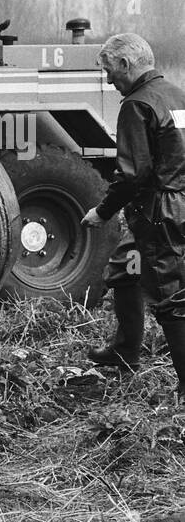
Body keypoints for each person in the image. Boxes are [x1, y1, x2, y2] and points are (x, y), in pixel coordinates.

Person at [82, 33, 185, 393]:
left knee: (170, 296)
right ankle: (124, 350)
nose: (109, 82)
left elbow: (131, 175)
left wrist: (102, 211)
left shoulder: (136, 104)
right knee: (125, 267)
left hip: (158, 210)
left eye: (110, 72)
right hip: (178, 204)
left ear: (126, 65)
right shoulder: (177, 95)